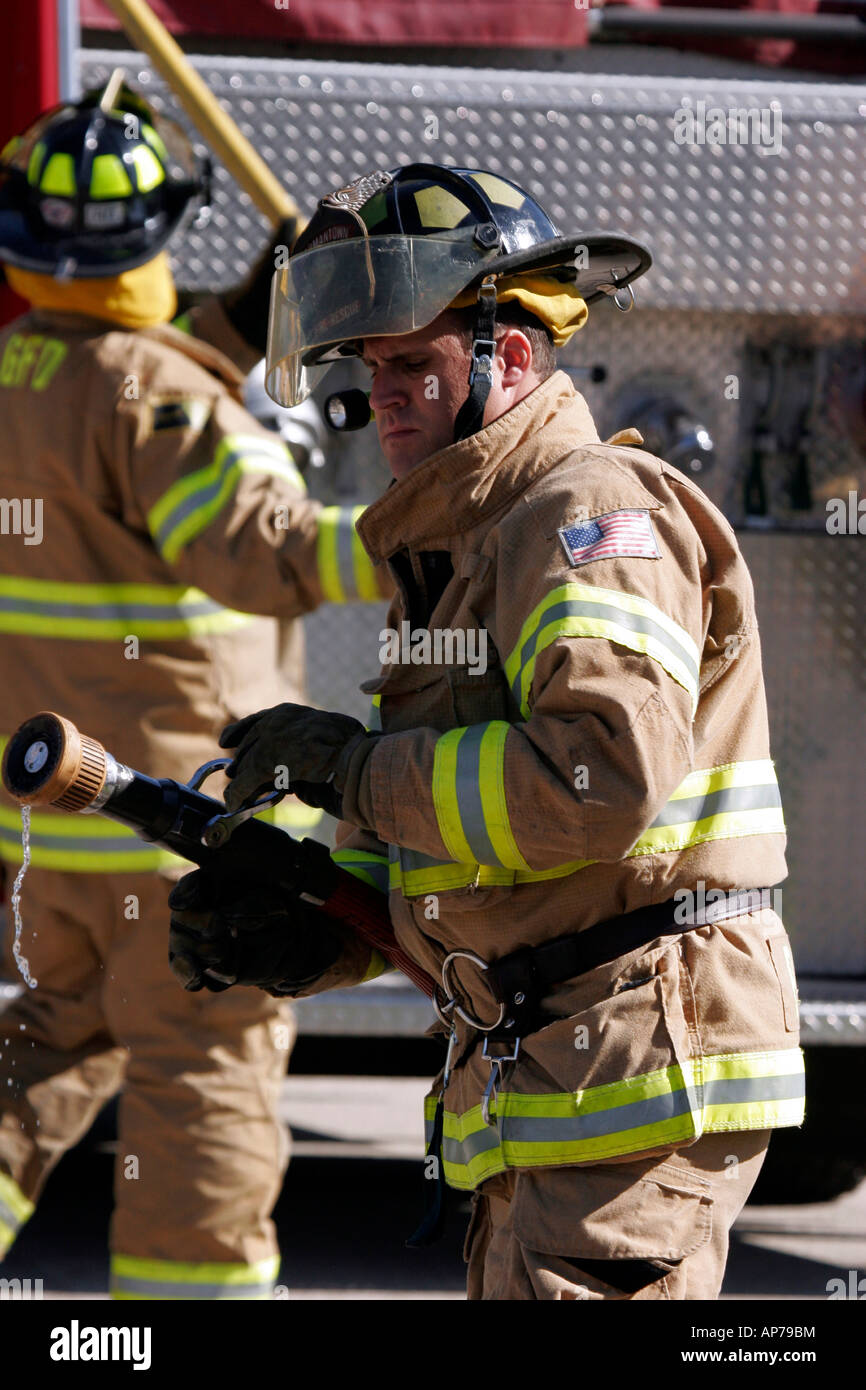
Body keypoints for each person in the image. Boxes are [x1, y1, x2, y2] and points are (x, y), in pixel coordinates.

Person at [169, 164, 806, 1301]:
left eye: (412, 362)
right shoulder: (463, 542)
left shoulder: (584, 514)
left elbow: (593, 779)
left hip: (637, 1067)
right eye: (370, 371)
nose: (384, 398)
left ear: (507, 356)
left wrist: (352, 771)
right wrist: (320, 927)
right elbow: (459, 837)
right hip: (559, 1071)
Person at [0, 81, 389, 1300]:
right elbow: (262, 551)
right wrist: (430, 526)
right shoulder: (159, 397)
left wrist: (247, 315)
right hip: (176, 834)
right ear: (159, 227)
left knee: (41, 1059)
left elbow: (130, 395)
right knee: (203, 1090)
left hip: (52, 826)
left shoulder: (25, 366)